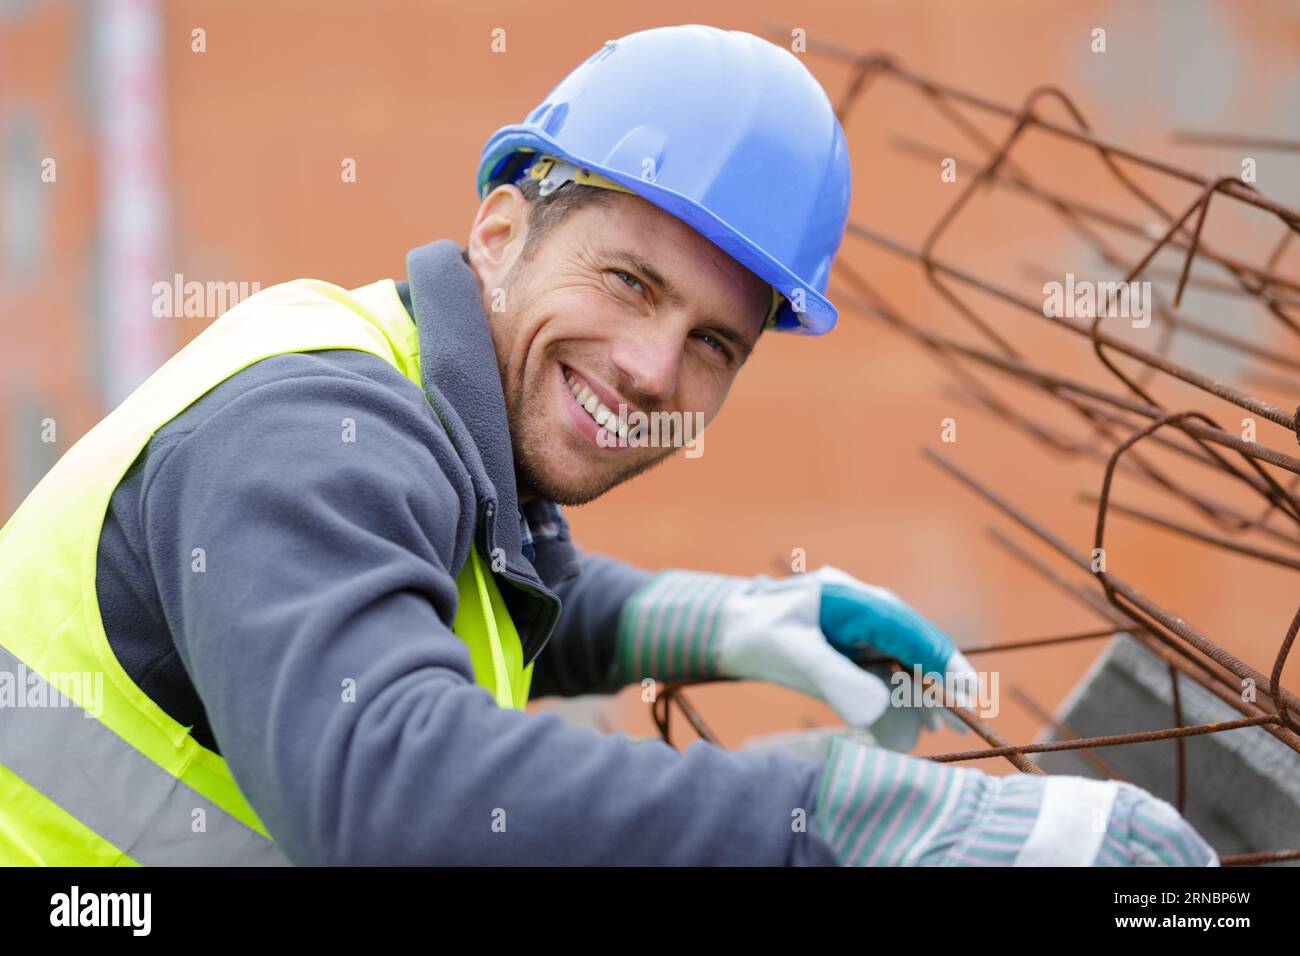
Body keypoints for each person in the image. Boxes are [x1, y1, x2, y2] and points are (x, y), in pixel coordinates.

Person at [0, 24, 1215, 866]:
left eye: (712, 345)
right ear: (498, 228)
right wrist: (839, 809)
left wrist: (718, 620)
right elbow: (396, 797)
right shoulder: (311, 436)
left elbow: (452, 582)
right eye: (629, 281)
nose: (651, 369)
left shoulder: (411, 398)